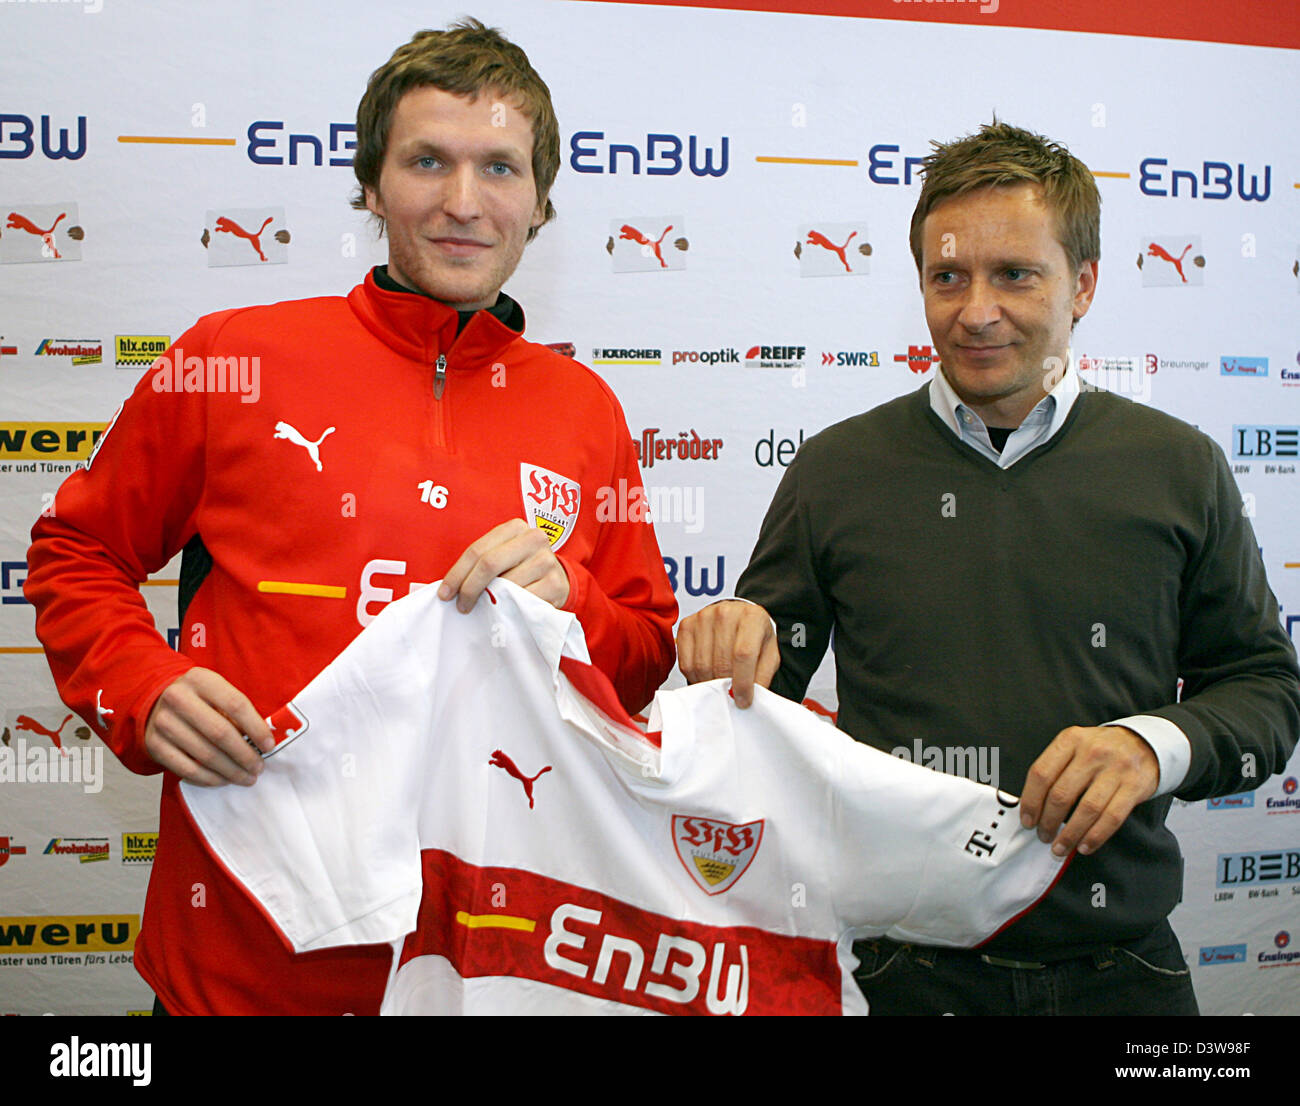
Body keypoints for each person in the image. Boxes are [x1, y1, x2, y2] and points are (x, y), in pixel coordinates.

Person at [25, 19, 677, 1016]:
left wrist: (574, 598)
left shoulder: (587, 409)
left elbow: (640, 652)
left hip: (486, 970)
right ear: (371, 184)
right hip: (242, 967)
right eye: (427, 161)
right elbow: (78, 549)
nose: (464, 203)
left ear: (541, 201)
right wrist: (142, 683)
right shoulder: (232, 358)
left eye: (499, 167)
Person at [676, 121, 1300, 1015]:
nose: (976, 309)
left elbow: (1266, 690)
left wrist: (1149, 746)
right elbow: (753, 706)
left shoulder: (1179, 465)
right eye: (948, 276)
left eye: (1015, 274)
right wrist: (722, 652)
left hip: (1127, 975)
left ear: (1083, 284)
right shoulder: (837, 471)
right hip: (909, 977)